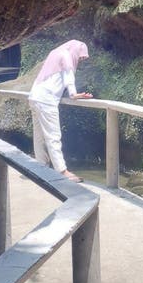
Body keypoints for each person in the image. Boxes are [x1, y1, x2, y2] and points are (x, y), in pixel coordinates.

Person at [28, 40, 92, 182]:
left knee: (39, 136)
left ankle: (41, 168)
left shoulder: (55, 53)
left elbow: (55, 77)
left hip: (35, 96)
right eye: (81, 56)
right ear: (76, 50)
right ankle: (62, 171)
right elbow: (68, 76)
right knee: (53, 136)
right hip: (46, 100)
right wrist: (74, 94)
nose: (80, 60)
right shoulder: (66, 55)